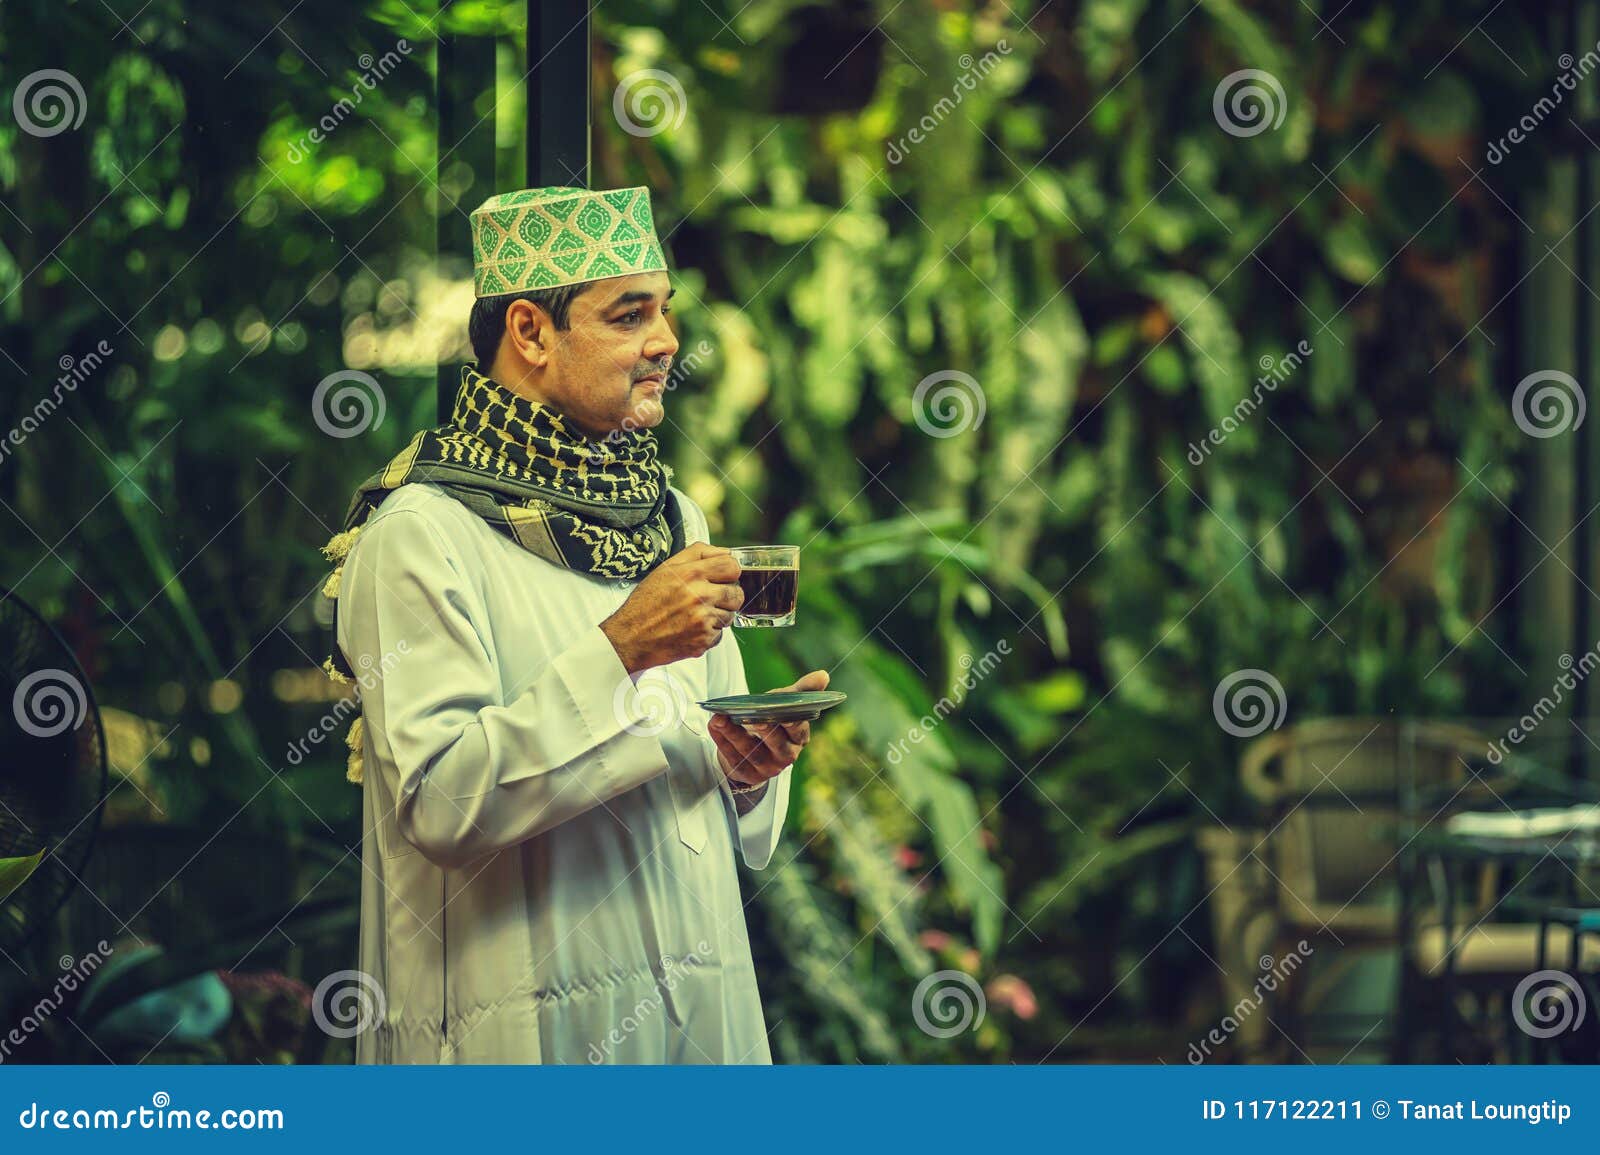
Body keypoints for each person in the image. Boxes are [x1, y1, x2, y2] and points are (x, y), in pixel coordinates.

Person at [319, 185, 827, 1064]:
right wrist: (622, 647)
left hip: (699, 1004)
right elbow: (440, 805)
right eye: (630, 315)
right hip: (517, 1021)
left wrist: (743, 764)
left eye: (665, 311)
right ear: (530, 333)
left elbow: (702, 760)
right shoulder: (419, 534)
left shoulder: (674, 517)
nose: (667, 341)